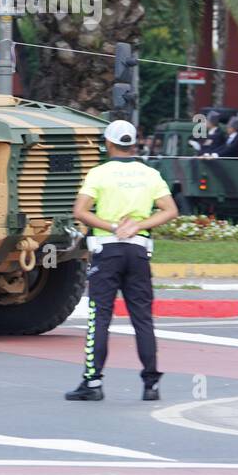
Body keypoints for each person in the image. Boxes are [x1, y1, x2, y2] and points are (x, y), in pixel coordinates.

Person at [67, 119, 179, 402]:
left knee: (99, 317)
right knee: (142, 318)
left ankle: (92, 383)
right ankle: (151, 383)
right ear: (133, 144)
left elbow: (80, 211)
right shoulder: (149, 174)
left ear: (108, 143)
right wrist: (138, 226)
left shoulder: (99, 174)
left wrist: (113, 226)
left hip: (107, 250)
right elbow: (170, 209)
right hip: (138, 251)